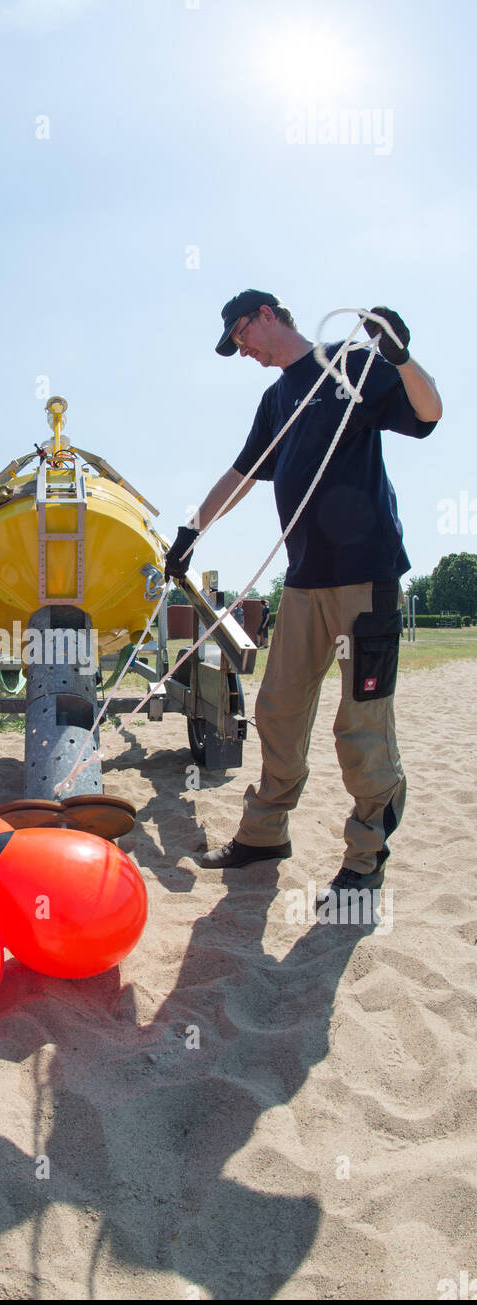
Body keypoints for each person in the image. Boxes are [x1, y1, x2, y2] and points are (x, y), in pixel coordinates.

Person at [165, 291, 442, 918]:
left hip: (364, 579)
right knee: (279, 708)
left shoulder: (352, 363)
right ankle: (264, 839)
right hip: (302, 581)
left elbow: (428, 416)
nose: (245, 353)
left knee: (360, 725)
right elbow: (241, 473)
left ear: (267, 314)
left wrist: (401, 357)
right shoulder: (275, 400)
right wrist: (191, 530)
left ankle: (365, 859)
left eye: (242, 336)